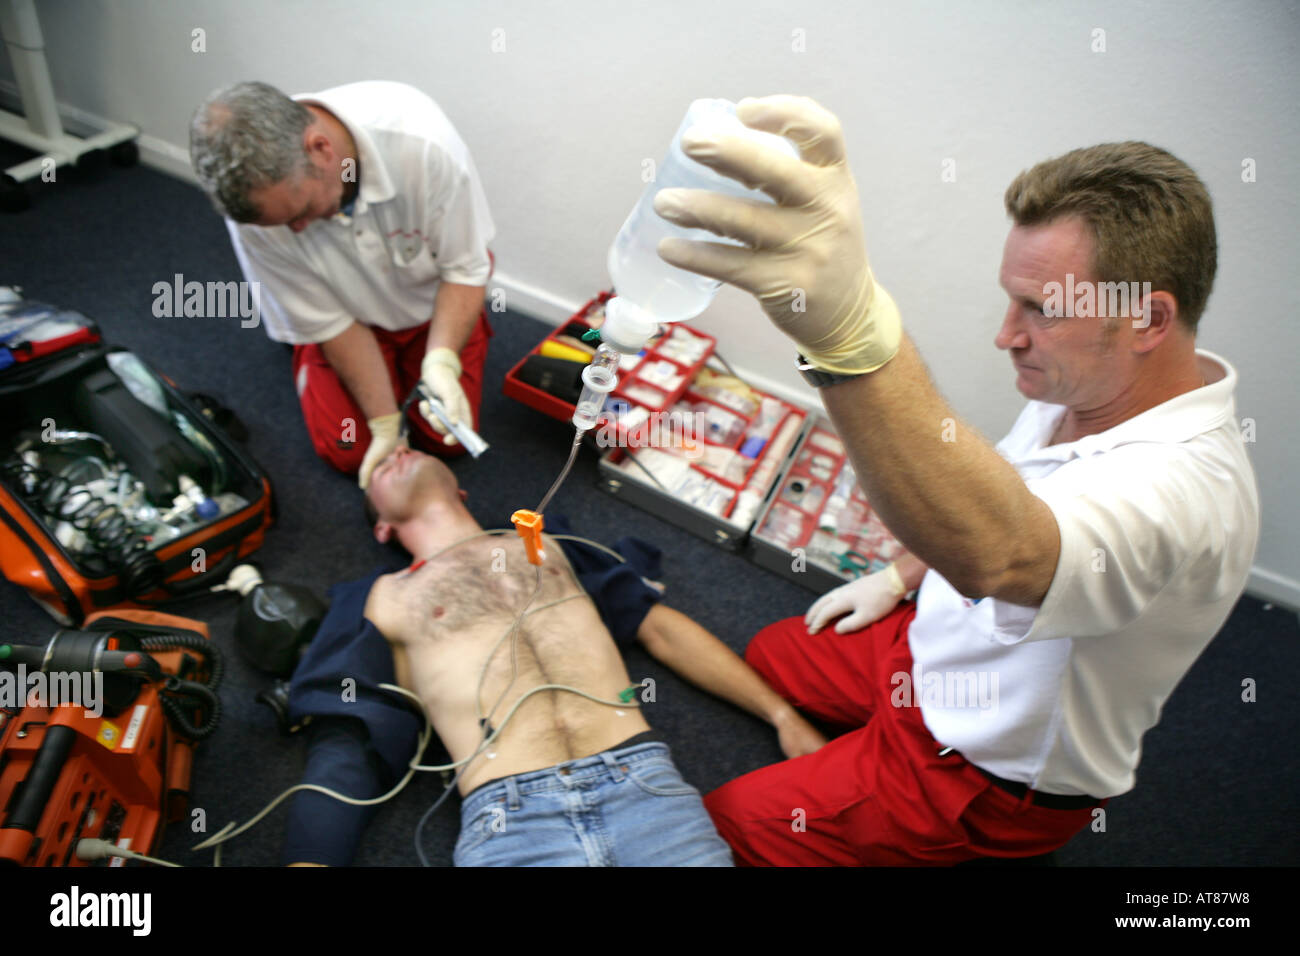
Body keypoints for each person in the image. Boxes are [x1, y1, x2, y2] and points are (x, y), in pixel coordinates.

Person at [652, 96, 1259, 865]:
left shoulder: (1183, 491)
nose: (1006, 335)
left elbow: (1002, 554)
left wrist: (851, 339)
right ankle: (875, 727)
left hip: (978, 773)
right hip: (930, 644)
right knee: (774, 655)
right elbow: (993, 487)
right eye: (1012, 298)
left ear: (1146, 320)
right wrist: (897, 576)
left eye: (1037, 309)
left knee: (720, 825)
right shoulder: (1088, 383)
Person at [278, 445, 827, 866]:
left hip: (646, 789)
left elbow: (657, 628)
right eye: (378, 467)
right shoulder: (382, 596)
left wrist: (782, 716)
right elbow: (346, 741)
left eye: (409, 446)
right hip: (511, 822)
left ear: (461, 491)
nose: (396, 450)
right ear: (381, 526)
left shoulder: (545, 542)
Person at [189, 80, 495, 488]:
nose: (296, 229)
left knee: (448, 439)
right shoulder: (257, 206)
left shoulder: (424, 146)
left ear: (321, 149)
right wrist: (385, 424)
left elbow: (464, 269)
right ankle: (306, 351)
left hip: (431, 302)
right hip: (347, 318)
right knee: (349, 449)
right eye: (282, 224)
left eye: (302, 212)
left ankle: (428, 357)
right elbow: (331, 323)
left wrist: (441, 360)